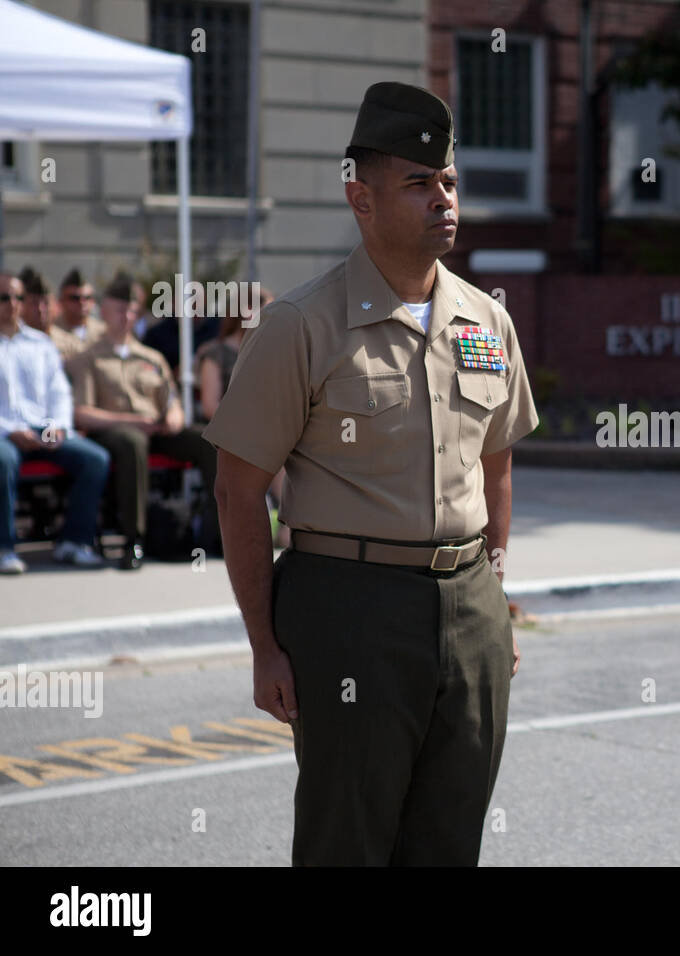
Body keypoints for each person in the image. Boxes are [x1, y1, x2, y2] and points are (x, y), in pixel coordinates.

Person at [203, 81, 539, 866]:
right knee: (346, 842)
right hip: (349, 611)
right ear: (361, 198)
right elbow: (237, 489)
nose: (442, 200)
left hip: (470, 614)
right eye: (419, 184)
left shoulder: (487, 321)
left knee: (450, 841)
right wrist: (264, 646)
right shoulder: (301, 324)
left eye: (449, 183)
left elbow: (498, 468)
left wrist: (492, 591)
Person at [65, 275, 221, 570]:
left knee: (209, 441)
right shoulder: (88, 358)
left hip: (155, 429)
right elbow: (81, 413)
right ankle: (133, 538)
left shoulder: (151, 357)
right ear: (105, 313)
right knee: (132, 442)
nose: (125, 317)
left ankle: (215, 532)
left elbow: (170, 399)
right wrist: (133, 421)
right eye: (118, 311)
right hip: (113, 433)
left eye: (131, 311)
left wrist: (173, 417)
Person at [0, 272, 110, 573]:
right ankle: (4, 548)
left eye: (18, 297)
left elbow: (59, 392)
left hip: (43, 428)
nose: (12, 304)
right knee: (3, 459)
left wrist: (59, 427)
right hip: (5, 433)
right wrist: (11, 431)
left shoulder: (40, 344)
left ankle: (75, 542)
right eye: (4, 297)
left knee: (95, 459)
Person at [196, 287, 290, 549]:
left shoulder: (270, 351)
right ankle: (285, 523)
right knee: (271, 453)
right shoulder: (216, 353)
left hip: (268, 430)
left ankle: (290, 522)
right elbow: (209, 406)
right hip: (227, 432)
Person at [17, 267, 79, 361]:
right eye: (34, 303)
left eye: (46, 303)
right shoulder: (11, 342)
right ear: (22, 307)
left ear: (56, 307)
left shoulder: (70, 344)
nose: (40, 309)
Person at [54, 268, 107, 358]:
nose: (82, 302)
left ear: (93, 301)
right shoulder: (52, 330)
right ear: (61, 301)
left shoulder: (104, 332)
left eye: (87, 298)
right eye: (75, 298)